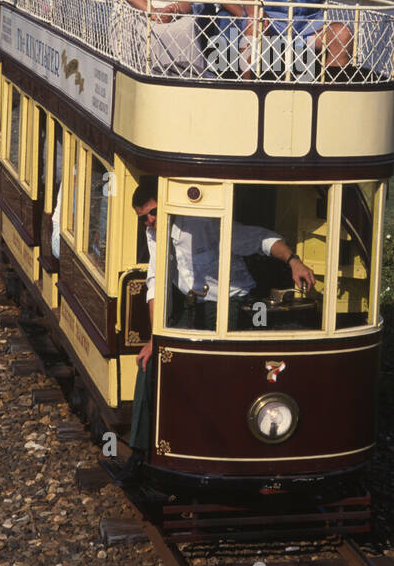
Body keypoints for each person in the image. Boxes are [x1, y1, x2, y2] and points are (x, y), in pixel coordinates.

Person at [127, 178, 316, 455]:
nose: (149, 221)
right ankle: (143, 450)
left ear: (166, 202)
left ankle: (226, 440)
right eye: (143, 218)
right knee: (150, 361)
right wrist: (154, 339)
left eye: (152, 213)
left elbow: (258, 239)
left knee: (219, 368)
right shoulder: (153, 231)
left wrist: (293, 261)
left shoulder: (205, 221)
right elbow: (155, 280)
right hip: (194, 306)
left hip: (232, 303)